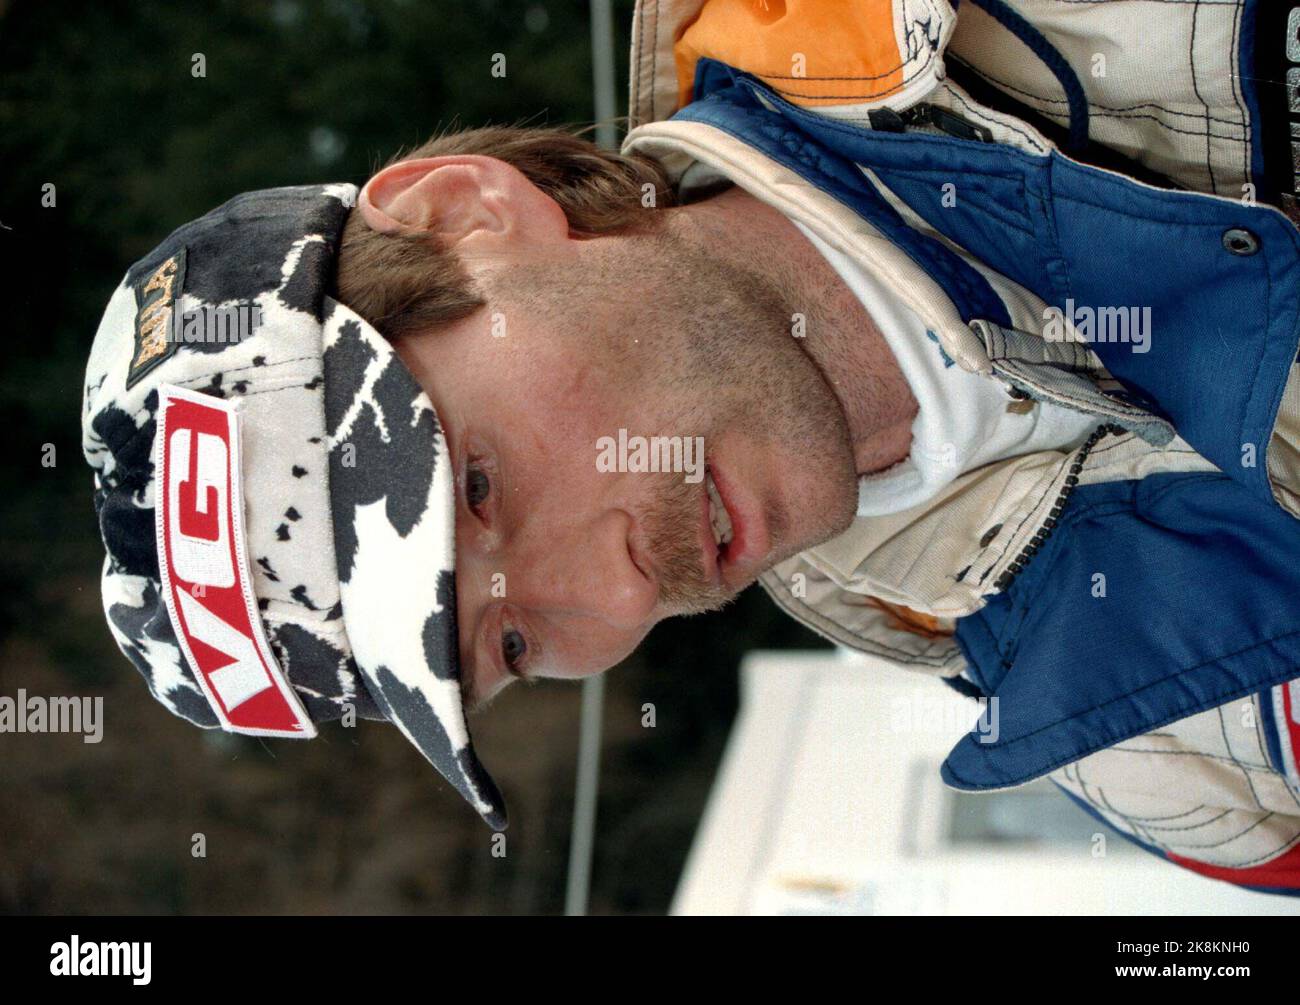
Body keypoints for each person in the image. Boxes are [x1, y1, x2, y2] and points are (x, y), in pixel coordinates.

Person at [84, 0, 1300, 891]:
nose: (617, 593)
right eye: (508, 644)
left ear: (470, 216)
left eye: (480, 487)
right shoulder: (1183, 766)